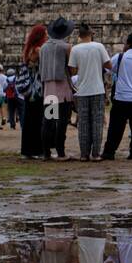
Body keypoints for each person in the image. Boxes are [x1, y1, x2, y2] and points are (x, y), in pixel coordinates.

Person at [68, 24, 111, 160]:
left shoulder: (75, 49)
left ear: (79, 35)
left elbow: (72, 71)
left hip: (82, 90)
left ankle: (84, 154)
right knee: (97, 122)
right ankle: (96, 153)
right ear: (91, 34)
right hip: (97, 89)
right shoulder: (99, 47)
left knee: (83, 123)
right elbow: (109, 65)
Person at [39, 17, 75, 160]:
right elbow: (72, 70)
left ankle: (46, 152)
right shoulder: (66, 47)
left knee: (48, 121)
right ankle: (61, 152)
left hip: (49, 90)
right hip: (63, 90)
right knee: (62, 122)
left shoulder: (43, 48)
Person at [15, 24, 47, 158]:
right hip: (37, 90)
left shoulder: (28, 50)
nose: (47, 36)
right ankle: (38, 150)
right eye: (45, 34)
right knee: (38, 120)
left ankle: (27, 150)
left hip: (29, 91)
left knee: (29, 120)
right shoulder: (38, 50)